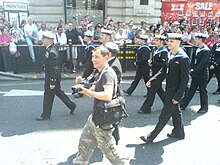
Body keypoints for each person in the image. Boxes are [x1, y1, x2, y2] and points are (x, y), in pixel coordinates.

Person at [73, 46, 129, 165]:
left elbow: (107, 95)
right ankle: (80, 161)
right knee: (85, 142)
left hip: (103, 119)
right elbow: (95, 87)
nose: (93, 59)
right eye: (93, 56)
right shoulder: (101, 71)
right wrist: (82, 85)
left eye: (97, 57)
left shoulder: (107, 73)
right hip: (96, 116)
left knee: (111, 153)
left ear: (106, 57)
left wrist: (87, 92)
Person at [140, 33, 190, 143]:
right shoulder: (169, 54)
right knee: (176, 112)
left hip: (175, 92)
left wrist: (178, 96)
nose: (169, 43)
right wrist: (152, 79)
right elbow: (163, 71)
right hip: (169, 89)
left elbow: (185, 80)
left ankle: (151, 137)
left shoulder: (183, 58)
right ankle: (179, 133)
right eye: (168, 41)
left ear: (179, 42)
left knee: (164, 115)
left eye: (172, 41)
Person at [35, 31, 76, 121]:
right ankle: (71, 105)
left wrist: (52, 81)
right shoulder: (51, 49)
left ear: (49, 40)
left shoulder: (52, 52)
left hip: (51, 77)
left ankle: (45, 115)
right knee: (59, 93)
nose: (42, 40)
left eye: (44, 39)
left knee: (48, 96)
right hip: (53, 76)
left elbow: (54, 68)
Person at [180, 33, 210, 113]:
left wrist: (193, 72)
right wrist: (191, 69)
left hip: (202, 74)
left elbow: (202, 65)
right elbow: (193, 61)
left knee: (203, 91)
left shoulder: (206, 51)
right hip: (196, 73)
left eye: (196, 39)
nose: (195, 40)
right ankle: (183, 104)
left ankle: (204, 107)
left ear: (200, 40)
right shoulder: (197, 49)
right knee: (191, 90)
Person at [138, 34, 168, 114]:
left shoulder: (164, 52)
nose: (155, 42)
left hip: (160, 73)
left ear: (162, 42)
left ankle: (146, 108)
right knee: (159, 90)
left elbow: (163, 65)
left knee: (152, 91)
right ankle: (168, 104)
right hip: (155, 72)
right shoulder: (156, 49)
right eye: (155, 40)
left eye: (157, 41)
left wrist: (153, 63)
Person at [74, 31, 95, 98]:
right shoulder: (89, 45)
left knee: (84, 79)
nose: (84, 38)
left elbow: (88, 56)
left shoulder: (91, 46)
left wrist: (82, 62)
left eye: (86, 36)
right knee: (91, 79)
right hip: (89, 64)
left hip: (90, 64)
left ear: (89, 38)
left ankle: (80, 93)